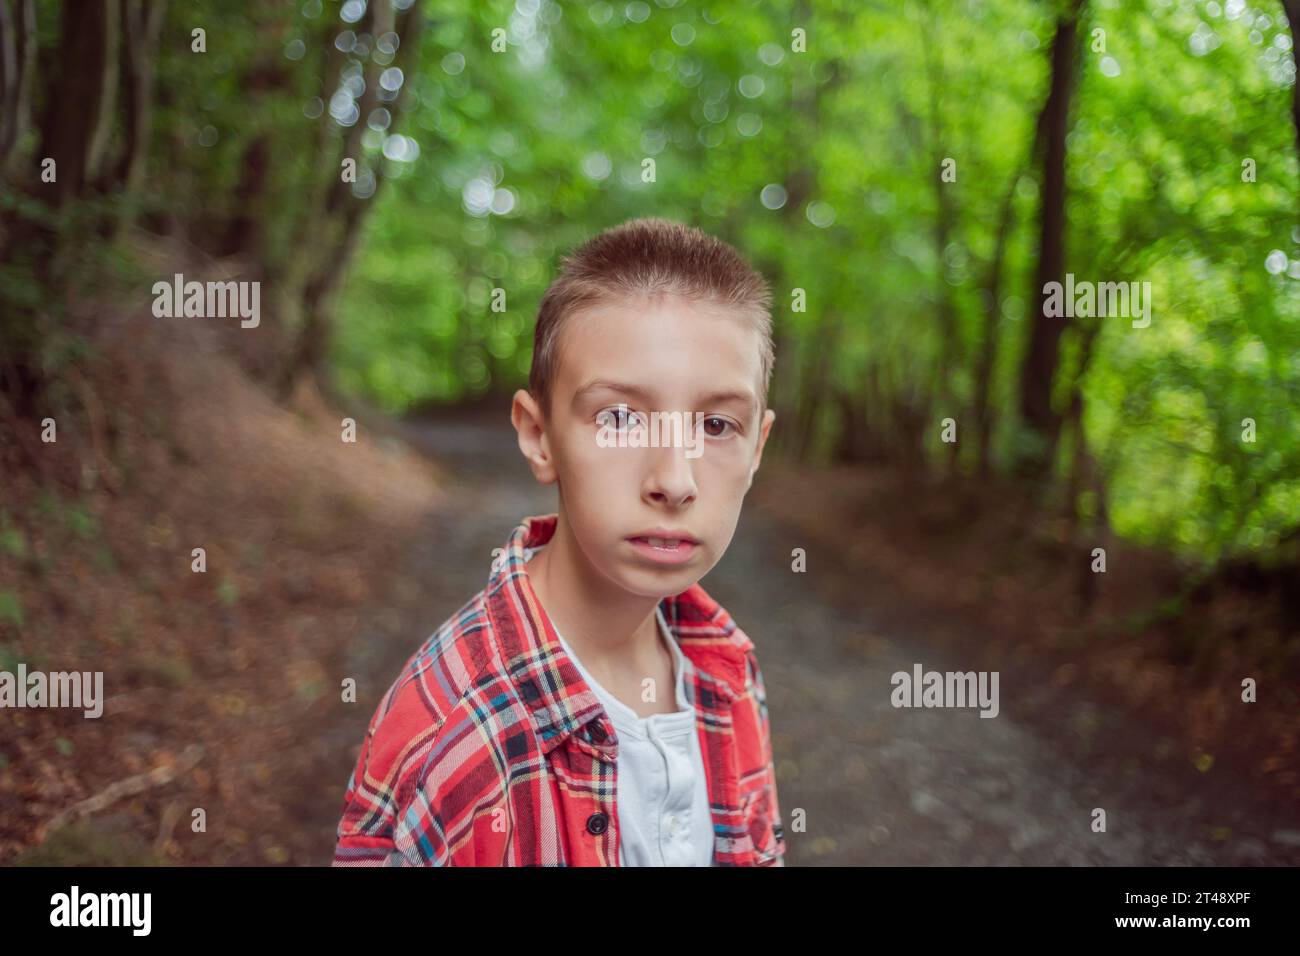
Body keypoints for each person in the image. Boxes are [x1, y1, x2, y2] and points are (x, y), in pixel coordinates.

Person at [332, 217, 785, 866]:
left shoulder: (728, 672)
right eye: (621, 417)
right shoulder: (458, 736)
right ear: (539, 436)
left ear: (757, 449)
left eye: (716, 425)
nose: (674, 480)